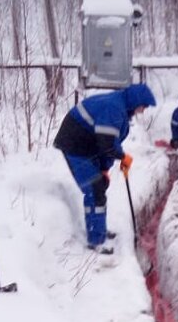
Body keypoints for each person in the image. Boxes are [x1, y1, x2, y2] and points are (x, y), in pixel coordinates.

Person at [54, 83, 156, 253]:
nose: (143, 110)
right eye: (143, 106)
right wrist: (122, 157)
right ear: (136, 102)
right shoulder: (114, 109)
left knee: (100, 185)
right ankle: (96, 240)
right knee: (94, 189)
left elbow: (110, 142)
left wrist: (104, 169)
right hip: (75, 145)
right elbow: (106, 144)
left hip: (88, 146)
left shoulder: (121, 110)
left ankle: (99, 231)